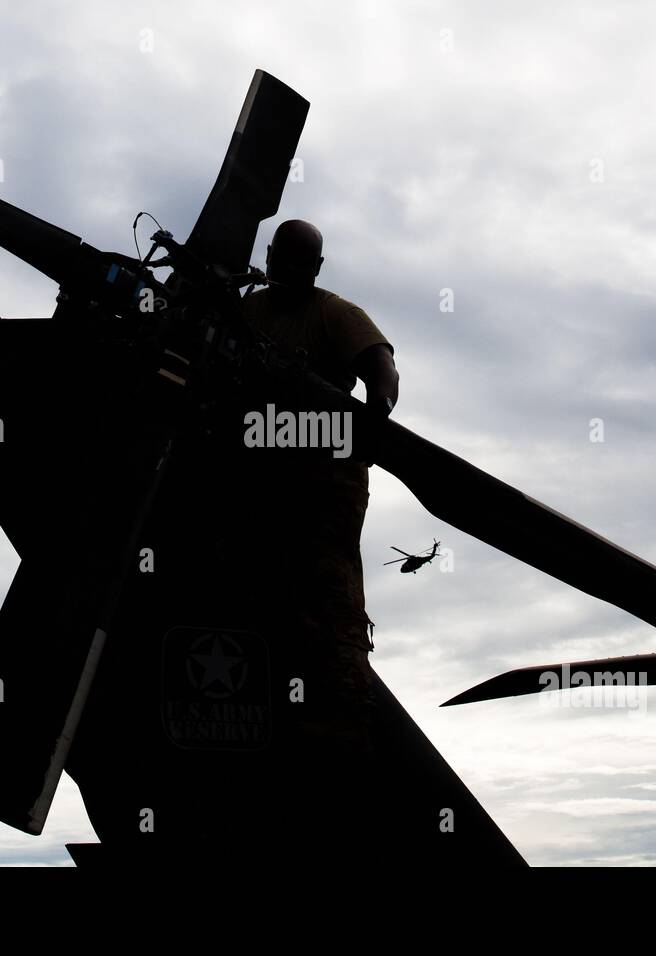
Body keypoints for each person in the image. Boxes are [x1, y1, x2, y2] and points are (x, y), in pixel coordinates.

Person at [238, 220, 399, 755]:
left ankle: (343, 717)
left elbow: (382, 368)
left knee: (327, 599)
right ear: (268, 256)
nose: (286, 272)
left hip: (325, 481)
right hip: (260, 477)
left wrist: (375, 417)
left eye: (298, 265)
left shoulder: (335, 314)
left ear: (316, 269)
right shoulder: (250, 310)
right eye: (279, 261)